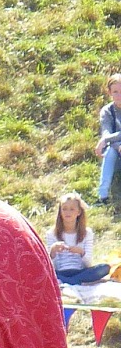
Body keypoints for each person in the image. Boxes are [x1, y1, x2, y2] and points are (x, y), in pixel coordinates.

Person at [46, 193, 110, 285]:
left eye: (72, 209)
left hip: (80, 271)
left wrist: (81, 252)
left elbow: (88, 264)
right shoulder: (52, 233)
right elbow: (51, 266)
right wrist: (53, 252)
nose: (68, 212)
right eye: (64, 209)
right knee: (45, 274)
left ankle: (68, 282)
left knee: (104, 268)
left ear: (79, 212)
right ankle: (75, 282)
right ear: (60, 211)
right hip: (60, 272)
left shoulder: (87, 233)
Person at [95, 74, 121, 202]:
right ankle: (103, 196)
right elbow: (106, 133)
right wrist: (116, 145)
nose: (119, 95)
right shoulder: (107, 111)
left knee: (111, 146)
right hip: (117, 154)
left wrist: (106, 141)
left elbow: (107, 139)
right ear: (109, 92)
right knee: (110, 151)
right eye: (115, 91)